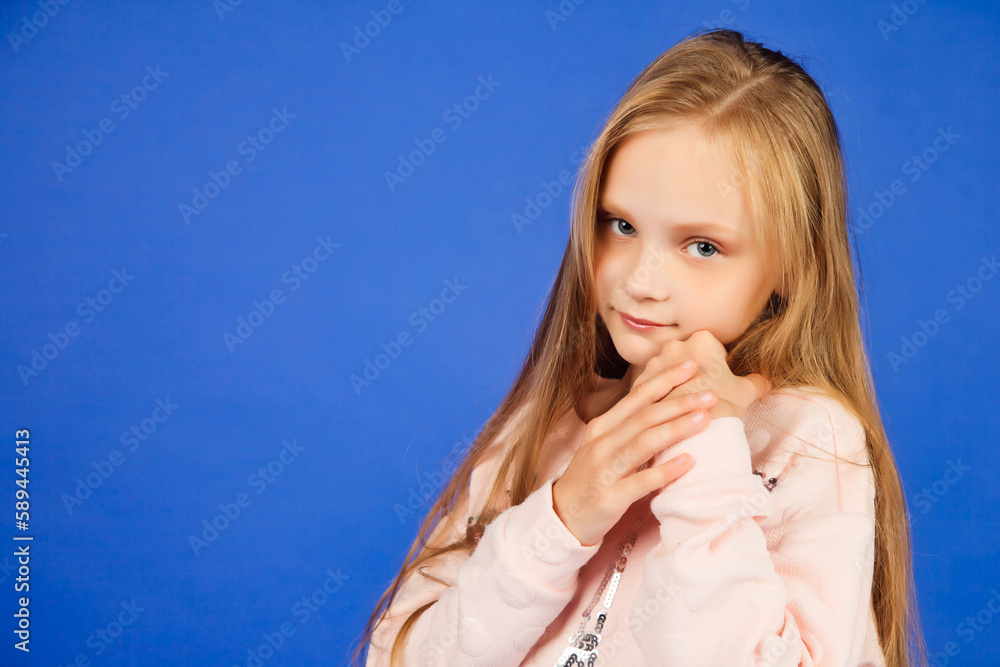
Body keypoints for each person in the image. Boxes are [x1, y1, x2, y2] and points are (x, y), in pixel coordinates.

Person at [352, 28, 928, 667]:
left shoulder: (811, 442)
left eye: (702, 246)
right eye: (620, 225)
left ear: (793, 264)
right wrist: (561, 518)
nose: (639, 281)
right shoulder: (554, 423)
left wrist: (710, 454)